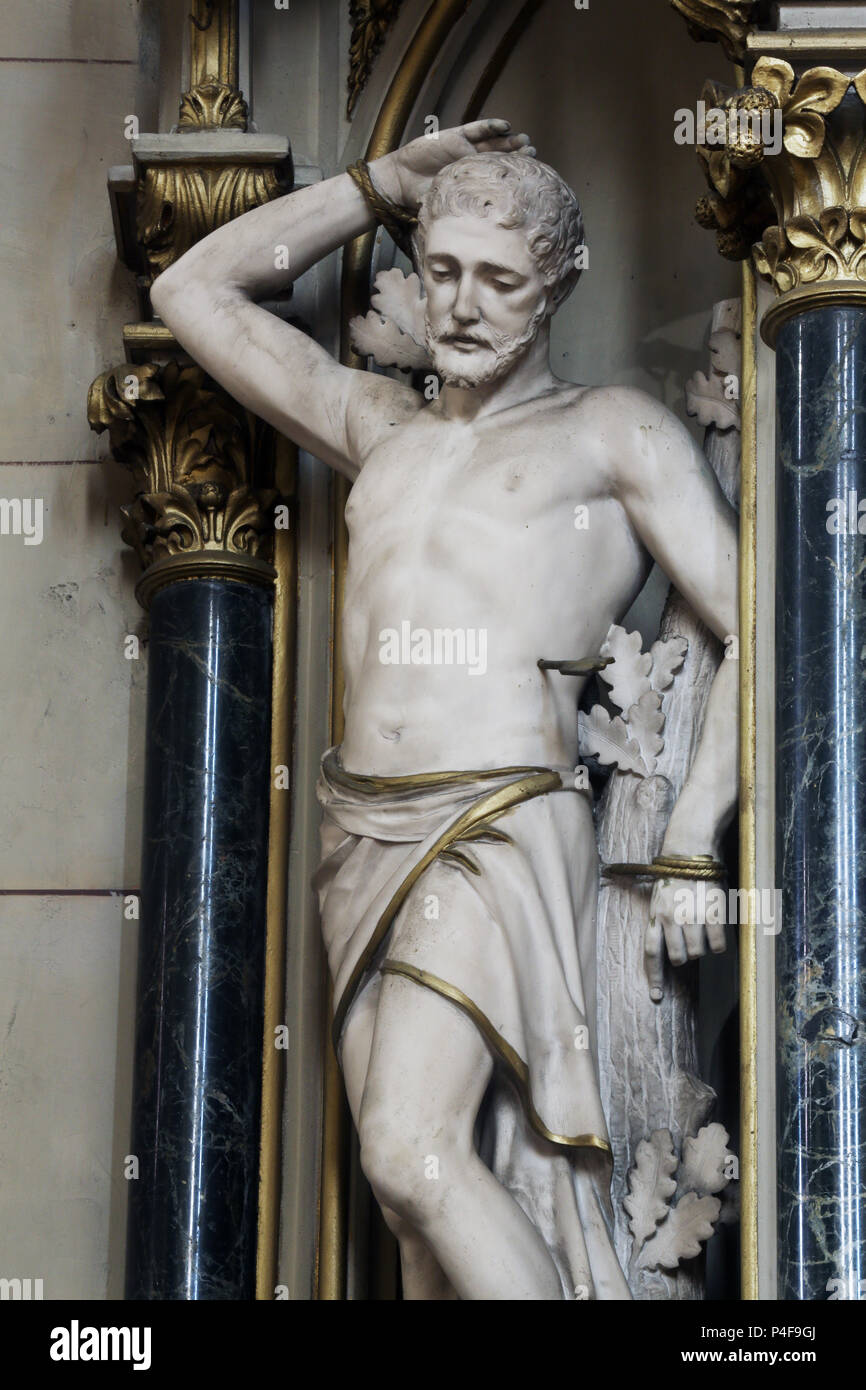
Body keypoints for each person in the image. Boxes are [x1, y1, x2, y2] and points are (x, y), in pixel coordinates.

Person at [152, 119, 738, 1300]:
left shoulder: (610, 432)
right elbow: (188, 286)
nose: (461, 306)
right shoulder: (380, 430)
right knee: (407, 1210)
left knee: (411, 1155)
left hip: (496, 825)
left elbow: (757, 624)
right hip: (359, 832)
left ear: (559, 284)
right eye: (441, 269)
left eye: (500, 278)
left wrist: (692, 837)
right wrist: (377, 186)